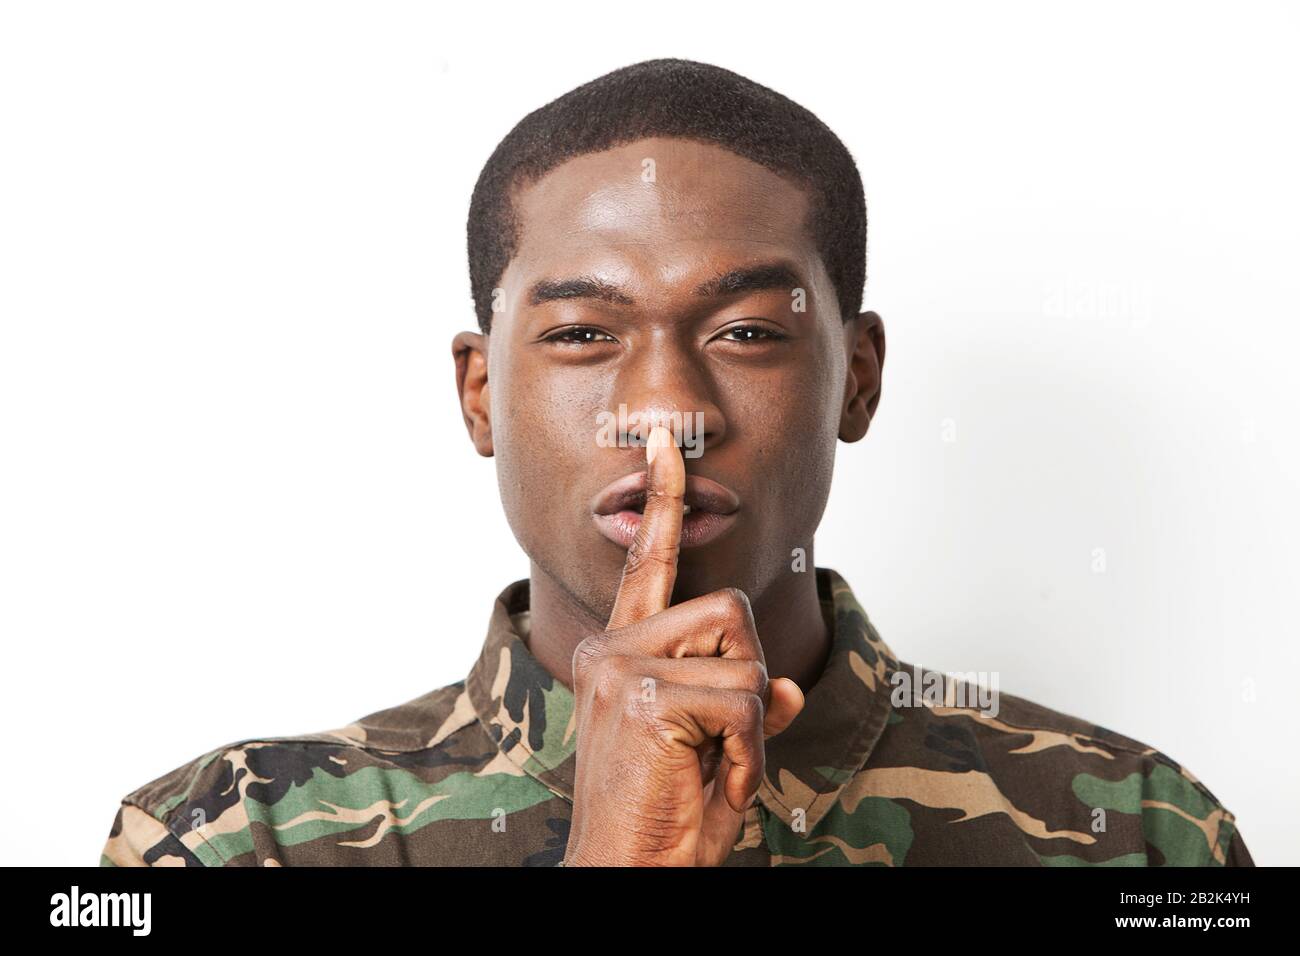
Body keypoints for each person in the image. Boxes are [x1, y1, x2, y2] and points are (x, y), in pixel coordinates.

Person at [100, 58, 1252, 867]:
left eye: (746, 332)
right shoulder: (226, 839)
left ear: (856, 378)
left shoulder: (1140, 834)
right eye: (581, 335)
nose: (665, 413)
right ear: (480, 391)